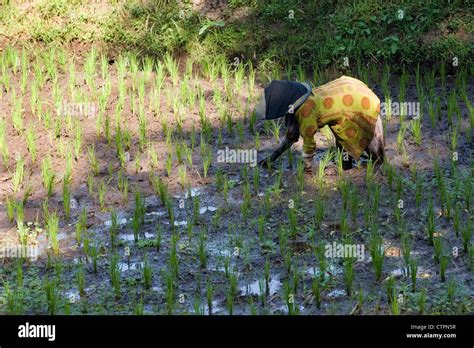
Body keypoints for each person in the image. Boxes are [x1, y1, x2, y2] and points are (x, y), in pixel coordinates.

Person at [255, 76, 385, 174]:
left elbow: (309, 143)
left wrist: (308, 168)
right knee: (344, 150)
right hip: (347, 98)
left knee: (370, 153)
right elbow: (291, 135)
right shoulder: (293, 108)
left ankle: (377, 168)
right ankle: (348, 168)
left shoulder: (305, 111)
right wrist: (272, 158)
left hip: (356, 103)